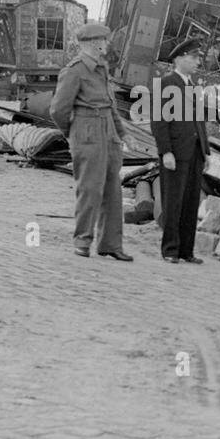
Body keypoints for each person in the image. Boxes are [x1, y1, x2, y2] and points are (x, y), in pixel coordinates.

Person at [49, 23, 133, 261]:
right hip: (87, 132)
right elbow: (58, 109)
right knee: (90, 189)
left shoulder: (101, 69)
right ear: (95, 43)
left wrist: (123, 134)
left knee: (112, 191)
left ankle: (110, 245)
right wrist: (72, 134)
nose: (106, 45)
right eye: (104, 41)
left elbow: (110, 105)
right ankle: (82, 241)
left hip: (108, 132)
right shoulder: (74, 71)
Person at [150, 37, 211, 264]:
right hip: (175, 152)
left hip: (194, 152)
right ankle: (170, 250)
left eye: (198, 58)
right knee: (173, 201)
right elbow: (159, 121)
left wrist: (206, 152)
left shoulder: (192, 86)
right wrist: (165, 151)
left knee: (190, 201)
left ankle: (187, 250)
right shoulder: (168, 83)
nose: (197, 62)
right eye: (194, 58)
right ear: (180, 58)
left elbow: (199, 123)